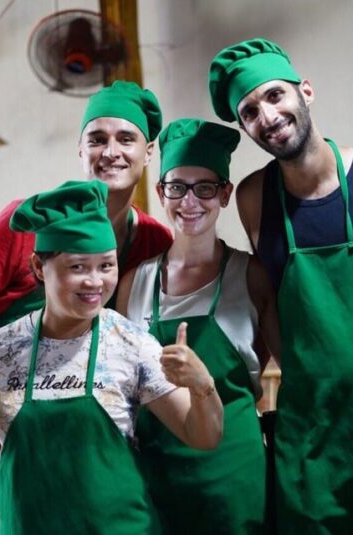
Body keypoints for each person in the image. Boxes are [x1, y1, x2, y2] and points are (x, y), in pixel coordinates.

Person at [0, 81, 172, 535]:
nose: (111, 151)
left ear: (148, 152)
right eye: (97, 139)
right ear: (80, 149)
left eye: (125, 139)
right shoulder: (22, 224)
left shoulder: (154, 241)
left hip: (63, 457)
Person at [208, 38, 353, 533]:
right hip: (310, 425)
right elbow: (273, 306)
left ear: (305, 91)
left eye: (274, 96)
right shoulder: (253, 198)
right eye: (249, 111)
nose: (266, 116)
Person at [0, 180, 223, 535]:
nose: (95, 282)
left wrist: (203, 387)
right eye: (78, 267)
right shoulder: (2, 349)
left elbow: (204, 436)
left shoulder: (132, 344)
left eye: (106, 266)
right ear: (39, 268)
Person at [116, 118, 279, 534]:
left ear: (225, 193)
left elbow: (286, 364)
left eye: (205, 187)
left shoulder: (251, 275)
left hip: (234, 471)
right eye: (177, 187)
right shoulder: (134, 283)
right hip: (154, 473)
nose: (190, 201)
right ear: (160, 192)